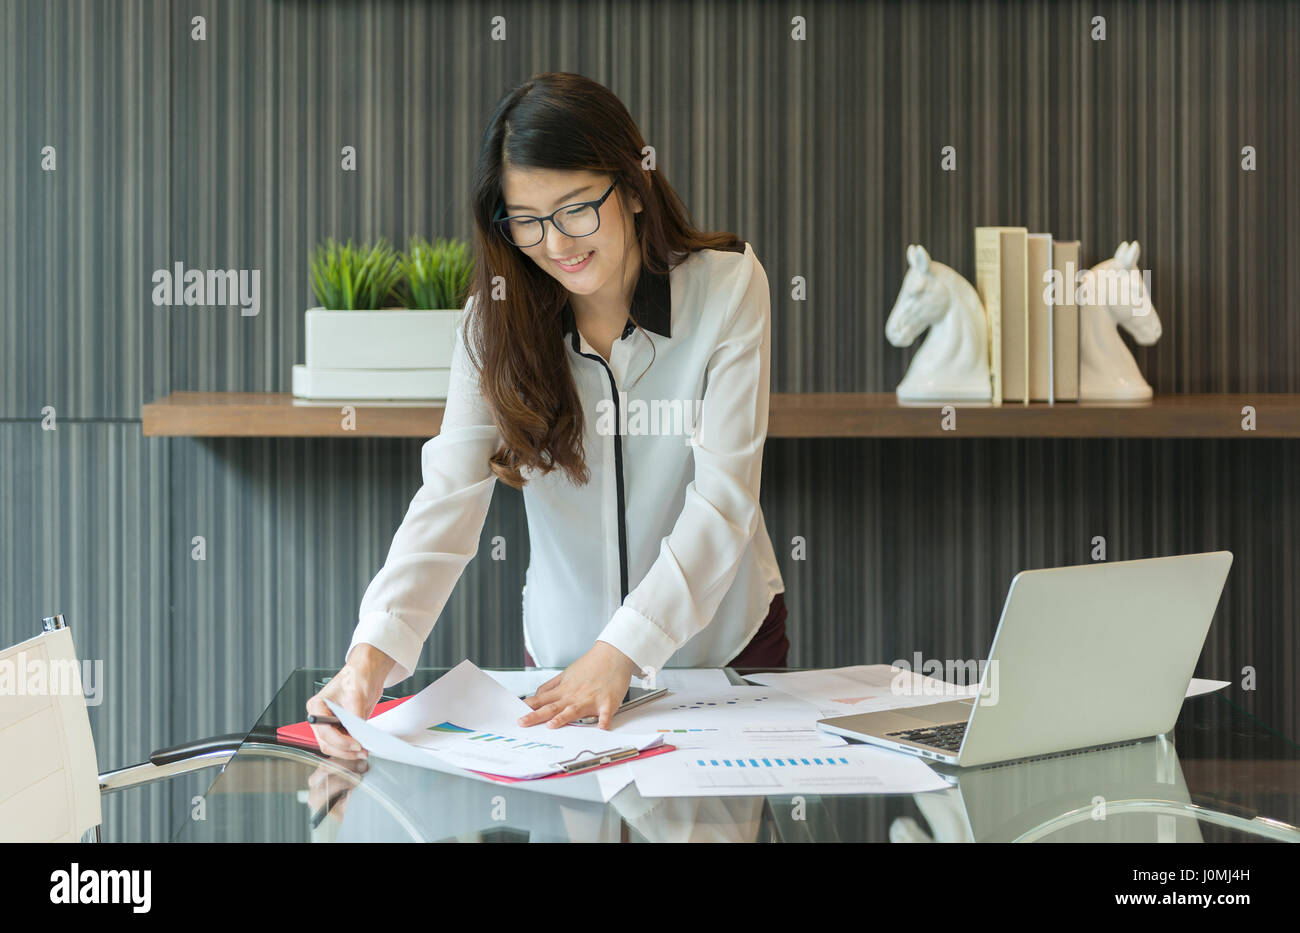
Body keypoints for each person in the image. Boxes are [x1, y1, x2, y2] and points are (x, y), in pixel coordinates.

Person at [308, 72, 786, 759]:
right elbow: (448, 496)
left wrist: (625, 646)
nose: (555, 243)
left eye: (574, 209)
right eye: (526, 220)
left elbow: (723, 501)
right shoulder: (492, 323)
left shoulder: (727, 286)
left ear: (632, 185)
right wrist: (368, 658)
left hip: (721, 646)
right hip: (562, 667)